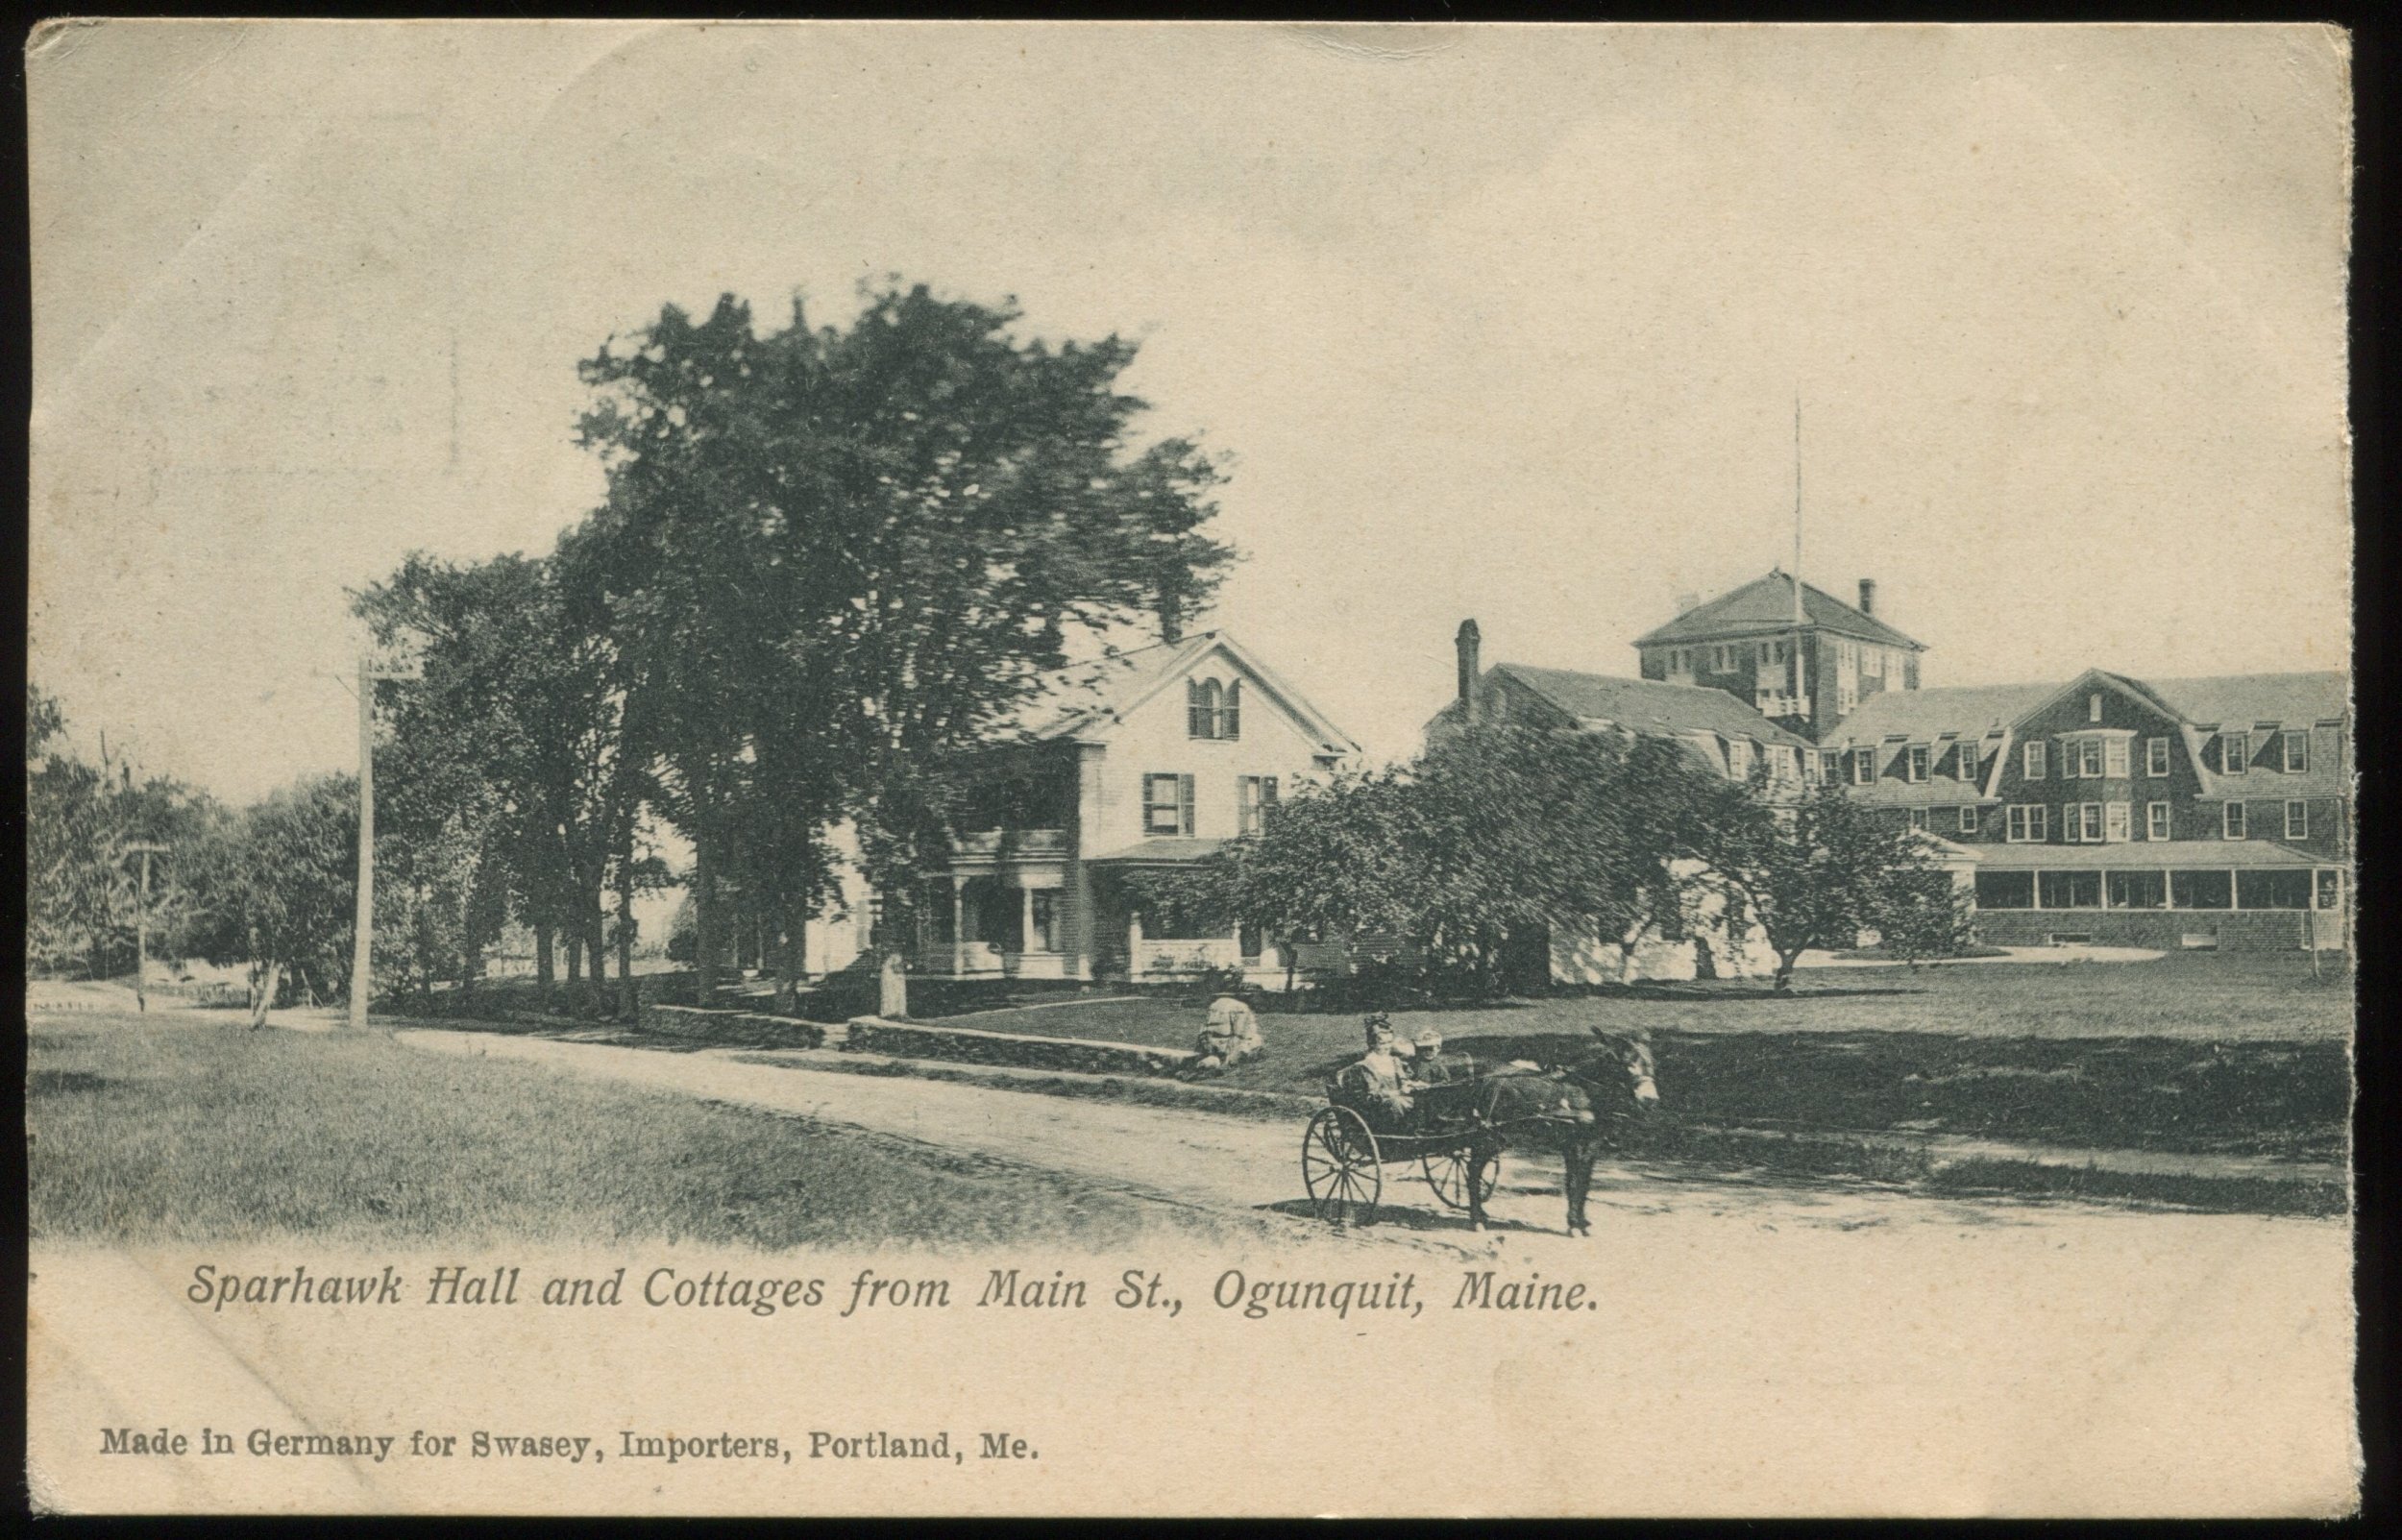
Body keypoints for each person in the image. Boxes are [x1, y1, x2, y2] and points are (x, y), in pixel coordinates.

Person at [1346, 1014, 1416, 1121]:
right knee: (1396, 1103)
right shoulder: (1365, 1067)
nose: (1387, 1047)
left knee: (1421, 1100)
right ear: (1372, 1044)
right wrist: (1398, 1092)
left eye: (1389, 1042)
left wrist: (1409, 1084)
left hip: (1398, 1102)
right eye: (1382, 1043)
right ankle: (1403, 1131)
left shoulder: (1395, 1061)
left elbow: (1404, 1080)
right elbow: (1369, 1098)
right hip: (1376, 1110)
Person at [1190, 992, 1264, 1074]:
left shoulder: (1214, 1006)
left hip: (1215, 1045)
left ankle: (1207, 1064)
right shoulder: (1240, 1007)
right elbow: (1240, 1035)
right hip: (1224, 1046)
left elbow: (1204, 1031)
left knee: (1254, 1041)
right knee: (1255, 1041)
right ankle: (1210, 1064)